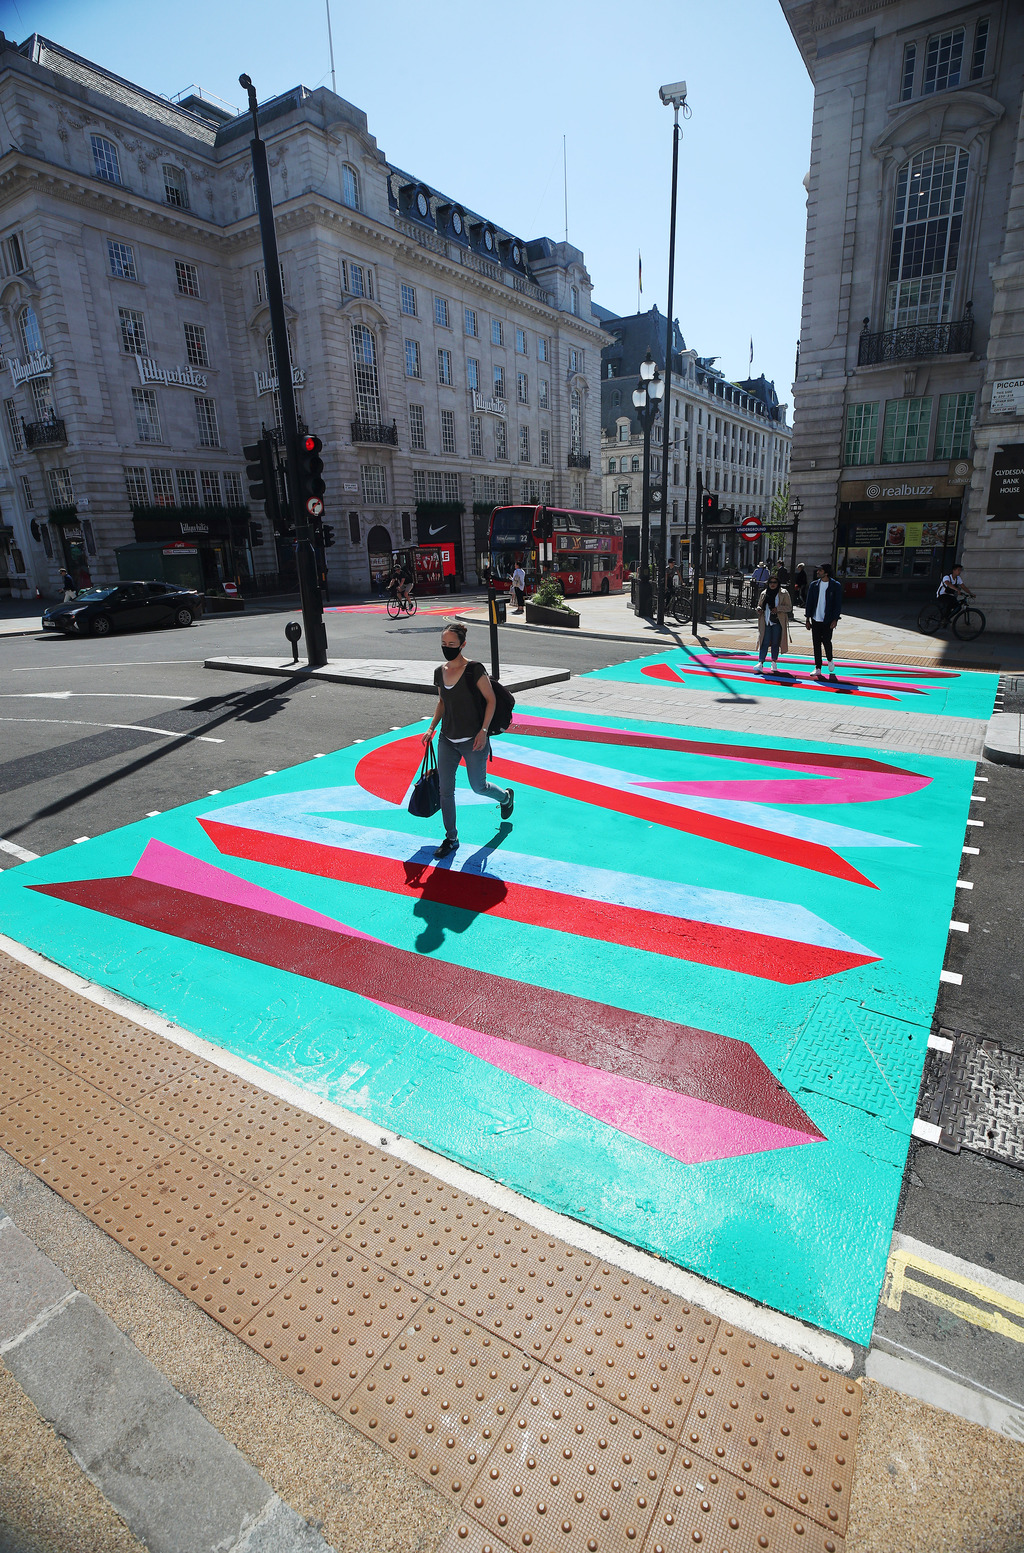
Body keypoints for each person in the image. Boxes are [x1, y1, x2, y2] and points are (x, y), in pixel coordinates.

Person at [423, 621, 514, 859]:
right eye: (443, 644)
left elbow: (491, 700)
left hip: (473, 740)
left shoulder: (475, 669)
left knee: (478, 786)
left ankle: (505, 797)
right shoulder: (439, 672)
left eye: (451, 644)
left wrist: (483, 731)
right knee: (445, 790)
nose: (447, 648)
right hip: (447, 739)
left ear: (462, 644)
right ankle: (451, 837)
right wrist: (431, 728)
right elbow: (442, 702)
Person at [804, 563, 843, 679]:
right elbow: (809, 602)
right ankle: (818, 668)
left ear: (826, 572)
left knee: (826, 641)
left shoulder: (835, 585)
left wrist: (835, 619)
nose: (817, 572)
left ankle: (830, 659)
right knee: (816, 643)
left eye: (820, 570)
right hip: (815, 619)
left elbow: (837, 604)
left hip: (828, 619)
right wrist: (807, 618)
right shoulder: (814, 585)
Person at [755, 572, 792, 674]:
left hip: (777, 621)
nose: (772, 584)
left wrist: (778, 608)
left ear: (778, 583)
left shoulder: (783, 593)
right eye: (770, 582)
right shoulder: (764, 593)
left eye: (775, 582)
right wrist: (759, 609)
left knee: (775, 642)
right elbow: (759, 605)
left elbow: (789, 607)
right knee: (764, 641)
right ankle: (761, 662)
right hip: (766, 621)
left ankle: (774, 661)